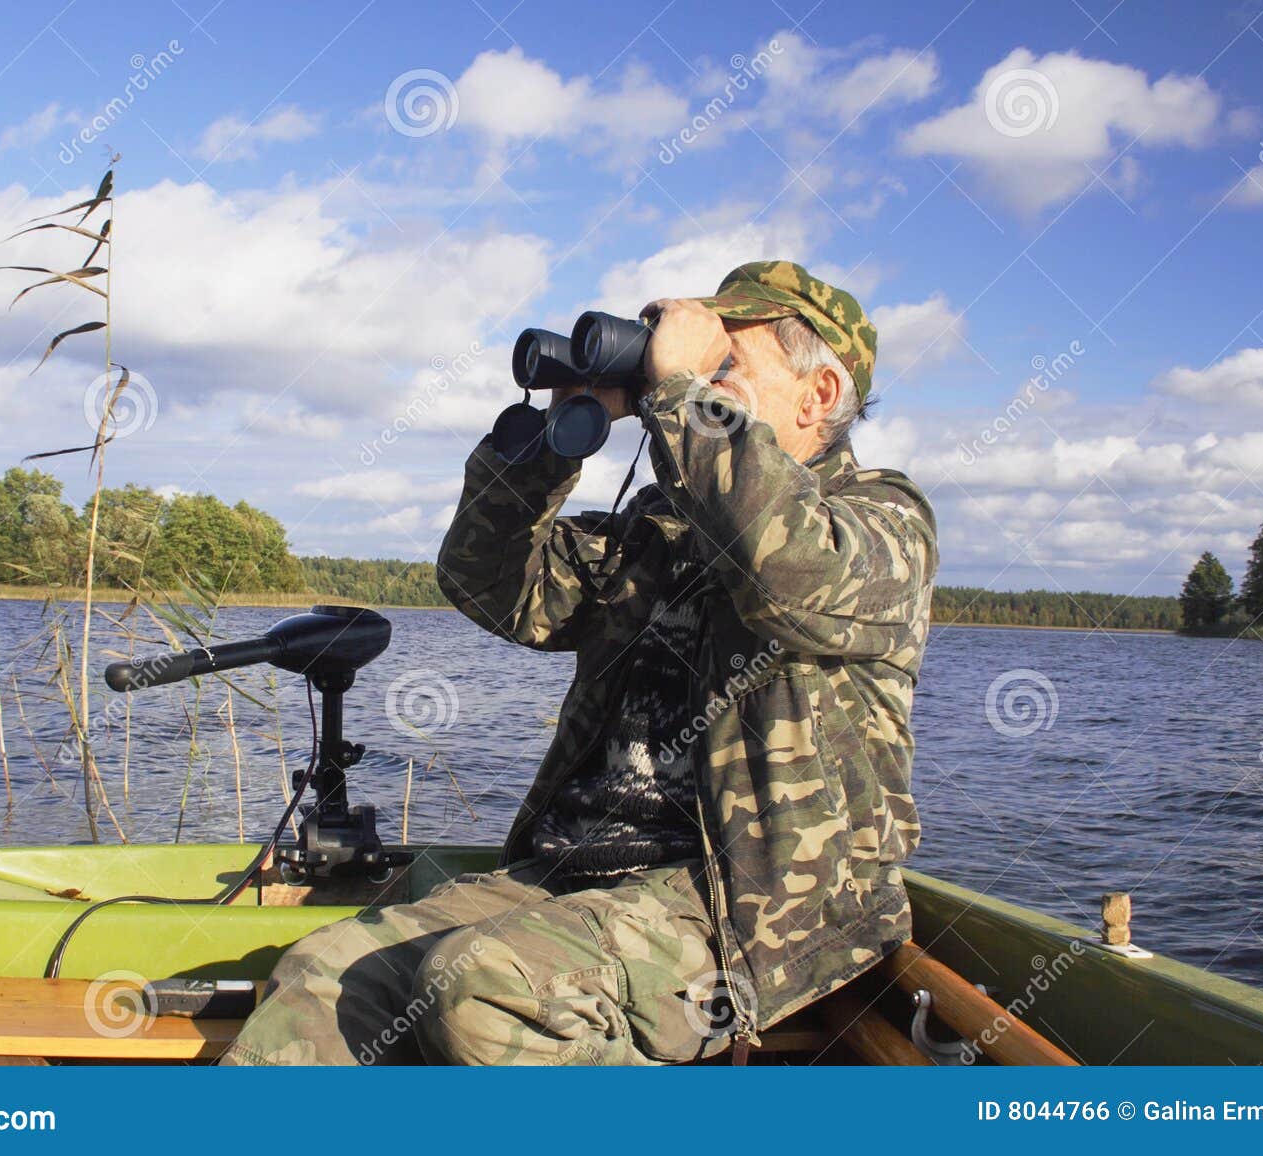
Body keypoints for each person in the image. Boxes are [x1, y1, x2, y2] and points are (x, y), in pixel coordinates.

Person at [223, 260, 938, 1066]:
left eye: (724, 363)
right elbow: (494, 586)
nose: (694, 377)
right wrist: (549, 442)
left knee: (489, 988)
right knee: (321, 977)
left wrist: (677, 393)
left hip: (750, 912)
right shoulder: (658, 531)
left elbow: (787, 573)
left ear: (819, 398)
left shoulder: (883, 524)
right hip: (574, 877)